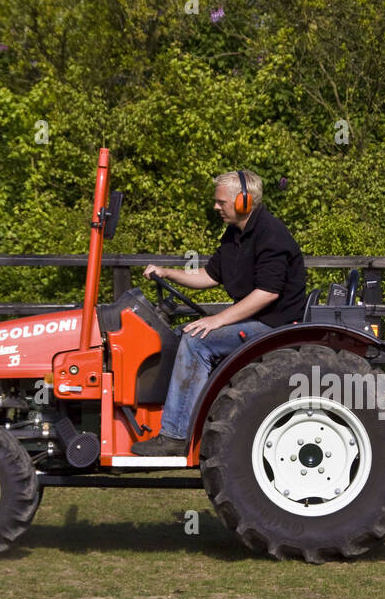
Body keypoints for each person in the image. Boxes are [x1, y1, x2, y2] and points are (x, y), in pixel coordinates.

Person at [131, 169, 307, 455]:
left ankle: (175, 435)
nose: (216, 207)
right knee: (178, 335)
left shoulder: (271, 235)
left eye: (221, 202)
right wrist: (166, 273)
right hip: (256, 320)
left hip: (274, 325)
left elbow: (268, 293)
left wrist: (217, 320)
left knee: (197, 341)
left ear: (243, 203)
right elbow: (209, 276)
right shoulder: (234, 235)